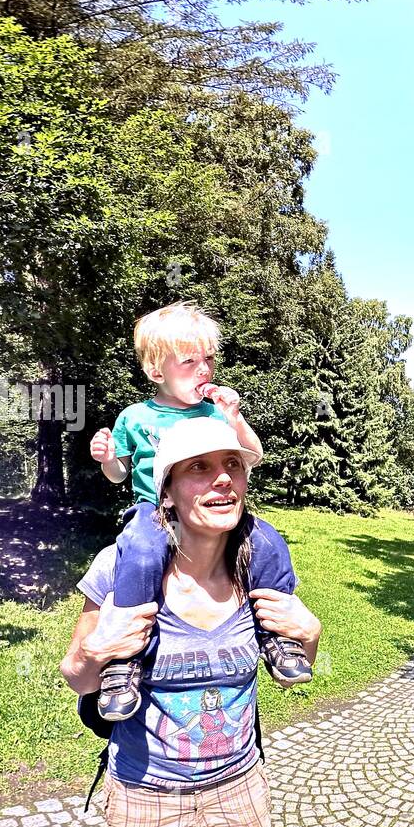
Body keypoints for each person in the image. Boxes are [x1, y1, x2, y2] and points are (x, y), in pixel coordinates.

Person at [62, 418, 321, 827]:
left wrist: (309, 636)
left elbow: (296, 665)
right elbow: (77, 678)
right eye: (198, 468)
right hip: (146, 784)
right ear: (169, 488)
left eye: (231, 466)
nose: (220, 480)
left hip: (238, 778)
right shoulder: (120, 567)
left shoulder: (258, 566)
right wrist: (97, 652)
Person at [89, 303, 312, 721]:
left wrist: (234, 417)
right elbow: (119, 474)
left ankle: (277, 636)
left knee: (268, 540)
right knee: (139, 549)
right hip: (154, 511)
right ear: (157, 372)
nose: (204, 369)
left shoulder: (214, 412)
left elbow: (254, 457)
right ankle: (124, 661)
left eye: (208, 358)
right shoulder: (135, 417)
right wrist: (105, 458)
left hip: (213, 512)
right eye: (189, 361)